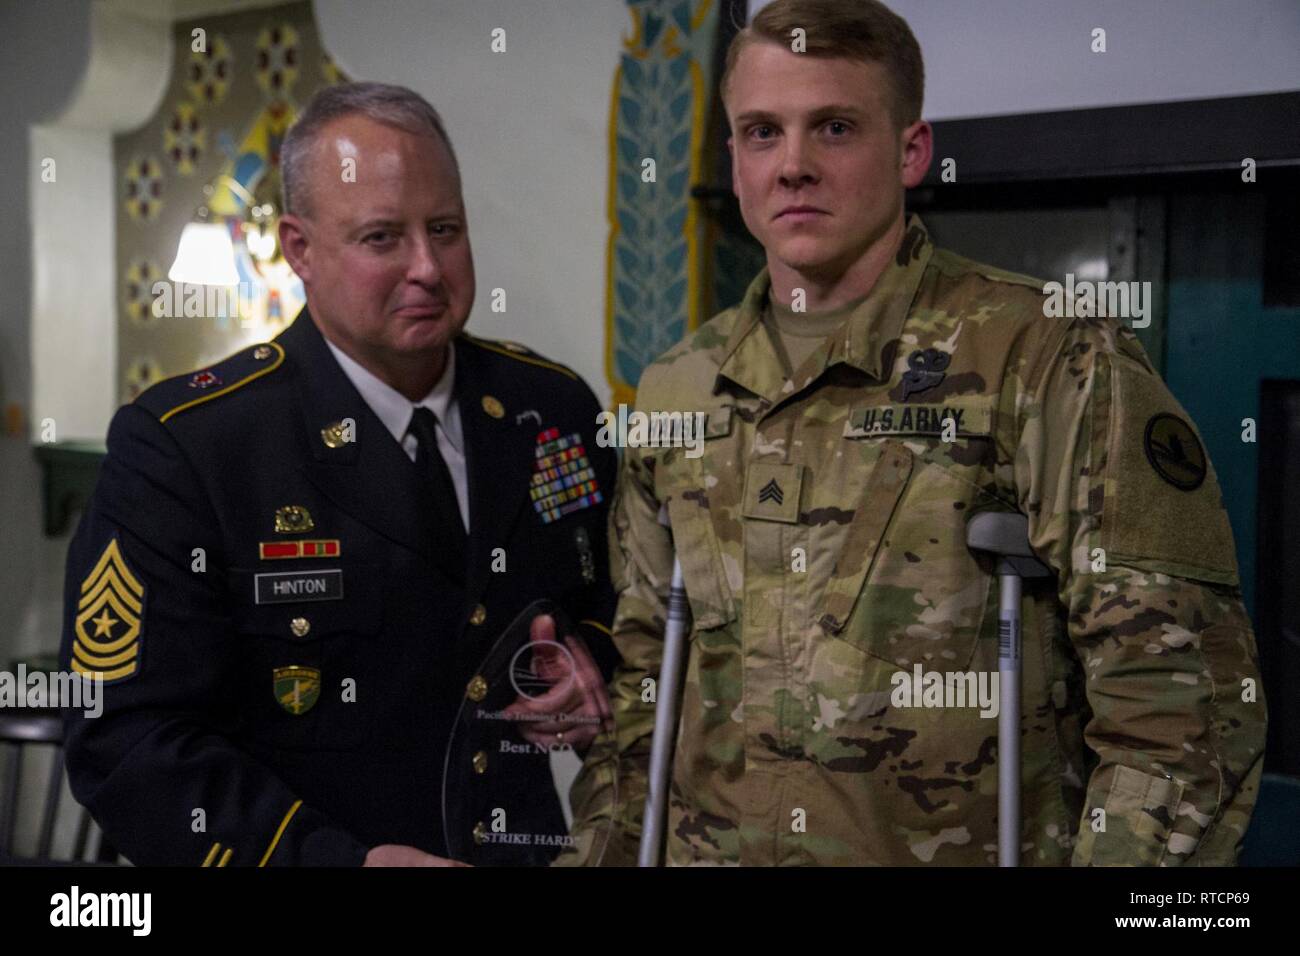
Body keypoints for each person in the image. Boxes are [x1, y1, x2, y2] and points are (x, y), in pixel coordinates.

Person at [573, 0, 1266, 865]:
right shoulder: (679, 385)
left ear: (910, 150)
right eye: (761, 132)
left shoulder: (1046, 356)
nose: (792, 166)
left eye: (832, 127)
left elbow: (1180, 707)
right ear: (734, 161)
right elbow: (644, 691)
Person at [60, 82, 617, 866]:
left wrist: (586, 663)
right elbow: (123, 738)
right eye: (382, 238)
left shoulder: (548, 408)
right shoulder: (191, 447)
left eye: (446, 229)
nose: (428, 267)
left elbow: (613, 606)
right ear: (300, 250)